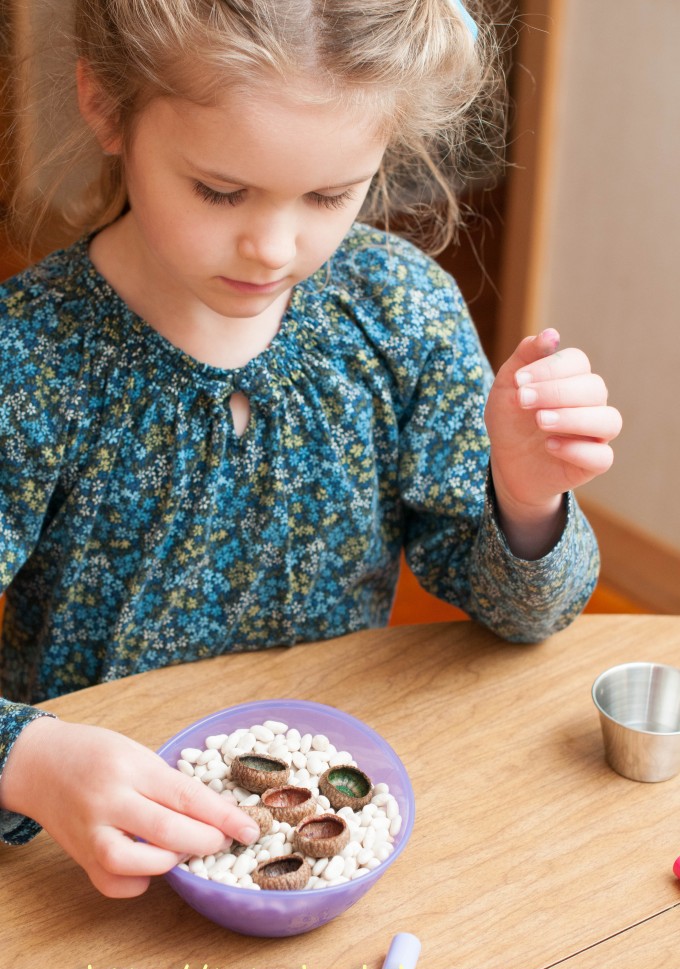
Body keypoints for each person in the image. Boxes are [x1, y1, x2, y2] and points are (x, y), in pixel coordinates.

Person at [0, 0, 621, 898]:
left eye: (331, 195)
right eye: (219, 190)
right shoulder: (29, 364)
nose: (274, 247)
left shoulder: (400, 312)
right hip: (88, 869)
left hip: (333, 839)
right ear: (104, 102)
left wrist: (526, 499)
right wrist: (28, 760)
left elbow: (522, 615)